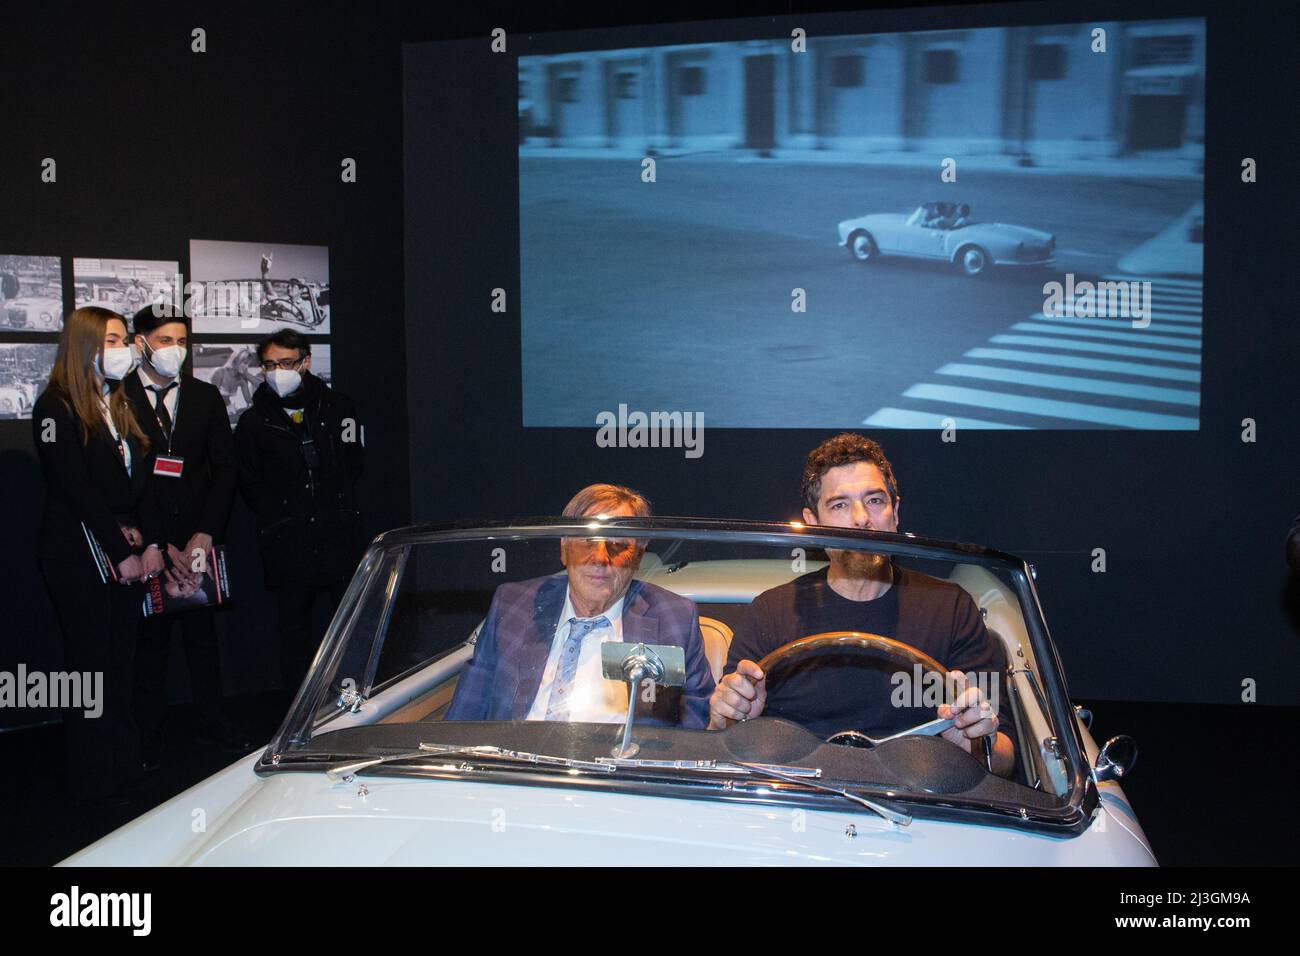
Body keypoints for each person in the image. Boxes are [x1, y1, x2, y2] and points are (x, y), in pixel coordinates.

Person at [707, 433, 1016, 777]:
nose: (860, 519)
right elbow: (723, 742)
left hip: (916, 807)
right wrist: (730, 717)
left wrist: (971, 742)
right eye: (839, 505)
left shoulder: (953, 608)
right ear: (812, 523)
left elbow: (1003, 758)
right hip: (800, 801)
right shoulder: (770, 612)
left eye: (874, 500)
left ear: (895, 512)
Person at [32, 306, 165, 806]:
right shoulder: (55, 407)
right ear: (86, 344)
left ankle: (124, 769)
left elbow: (145, 480)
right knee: (90, 667)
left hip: (124, 551)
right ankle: (91, 781)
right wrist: (118, 549)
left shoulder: (122, 400)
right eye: (111, 339)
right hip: (78, 556)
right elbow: (73, 488)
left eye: (123, 338)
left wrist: (150, 541)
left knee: (122, 664)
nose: (124, 348)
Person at [447, 484, 716, 727]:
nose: (599, 559)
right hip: (513, 770)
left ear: (638, 554)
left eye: (617, 543)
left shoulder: (674, 619)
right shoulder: (513, 604)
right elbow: (464, 717)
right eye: (587, 540)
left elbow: (694, 729)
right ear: (564, 545)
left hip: (614, 776)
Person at [125, 305, 245, 768]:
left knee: (202, 636)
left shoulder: (203, 396)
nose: (175, 349)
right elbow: (123, 477)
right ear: (142, 342)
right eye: (165, 340)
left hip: (198, 542)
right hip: (148, 545)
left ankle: (214, 719)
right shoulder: (119, 398)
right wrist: (157, 541)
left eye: (181, 340)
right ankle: (146, 733)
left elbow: (225, 468)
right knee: (148, 641)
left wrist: (204, 534)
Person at [234, 328, 363, 698]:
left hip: (338, 537)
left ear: (305, 362)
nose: (278, 371)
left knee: (346, 628)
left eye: (286, 363)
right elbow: (250, 483)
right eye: (270, 364)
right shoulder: (253, 423)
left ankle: (350, 701)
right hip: (288, 543)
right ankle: (297, 710)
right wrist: (285, 517)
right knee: (293, 631)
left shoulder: (338, 407)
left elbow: (354, 463)